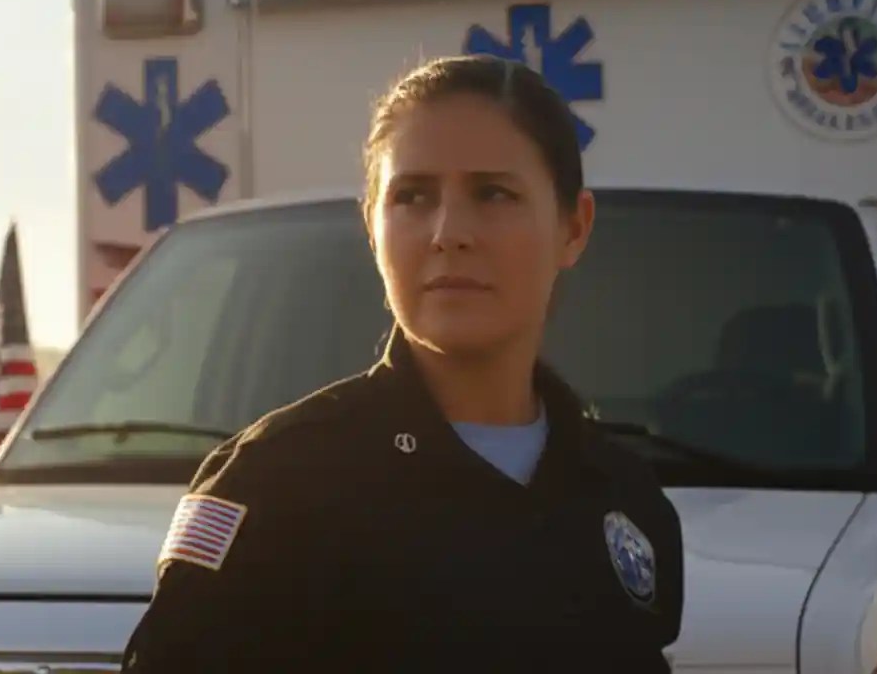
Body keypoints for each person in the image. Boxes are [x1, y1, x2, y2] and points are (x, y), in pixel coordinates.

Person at [119, 54, 684, 672]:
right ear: (371, 226)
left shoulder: (623, 496)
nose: (448, 232)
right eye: (412, 196)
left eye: (493, 193)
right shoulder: (277, 487)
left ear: (574, 227)